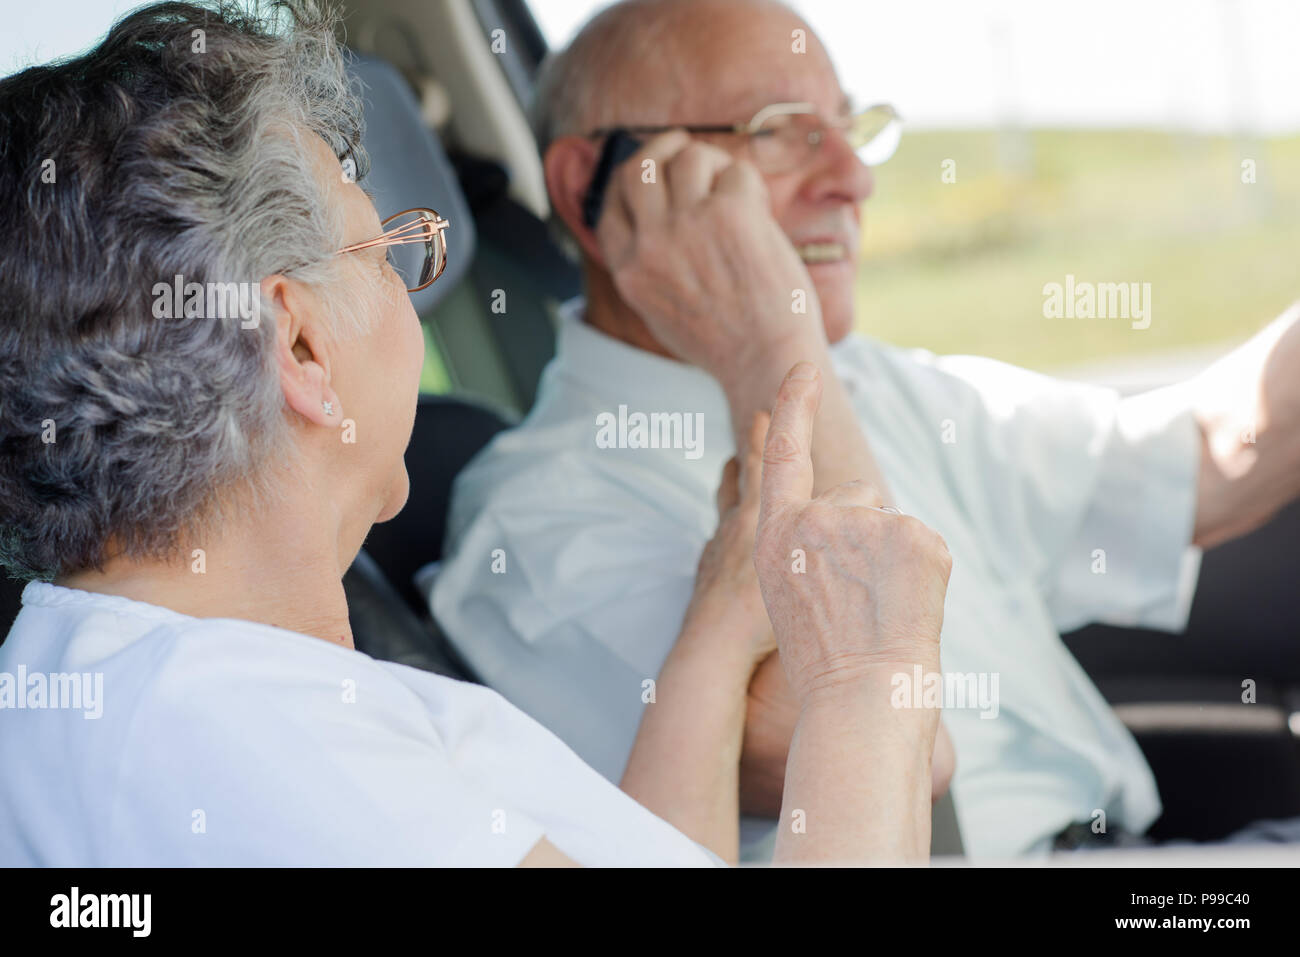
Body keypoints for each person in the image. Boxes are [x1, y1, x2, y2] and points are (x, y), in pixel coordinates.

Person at [0, 0, 952, 866]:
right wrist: (871, 679)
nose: (411, 294)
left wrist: (720, 619)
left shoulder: (152, 677)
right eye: (386, 254)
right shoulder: (233, 729)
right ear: (300, 346)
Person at [430, 0, 1300, 858]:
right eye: (777, 130)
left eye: (850, 127)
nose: (854, 177)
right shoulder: (539, 530)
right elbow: (883, 748)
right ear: (595, 185)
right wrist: (769, 340)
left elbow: (1215, 458)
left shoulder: (878, 384)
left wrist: (786, 346)